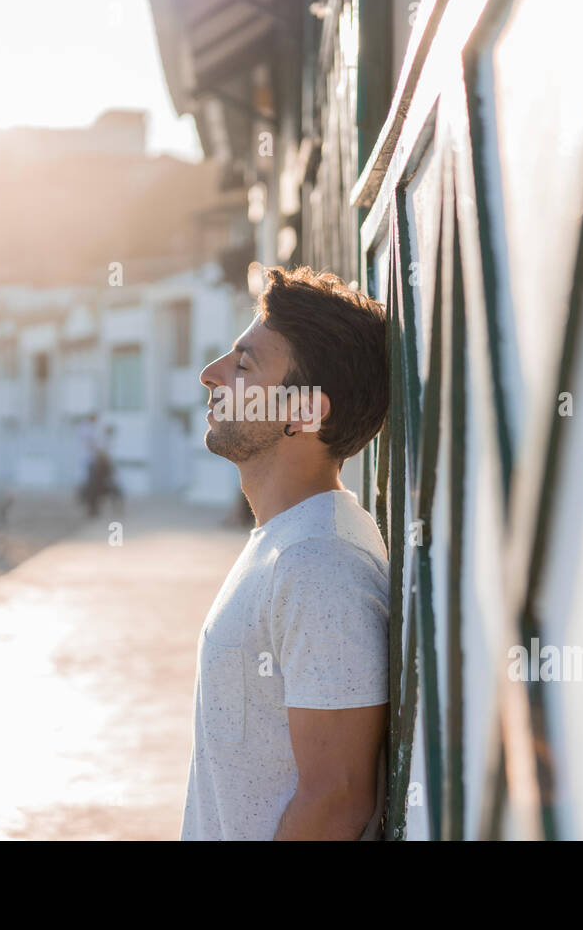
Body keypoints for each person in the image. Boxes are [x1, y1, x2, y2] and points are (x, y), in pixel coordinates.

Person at [181, 265, 391, 840]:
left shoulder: (319, 565)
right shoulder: (288, 543)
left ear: (304, 413)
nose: (211, 374)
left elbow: (338, 800)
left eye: (244, 365)